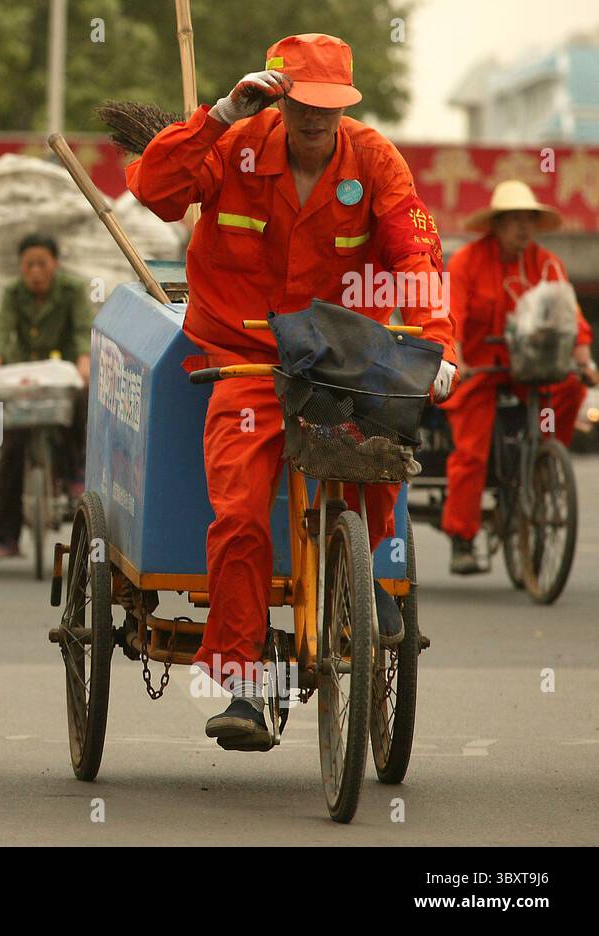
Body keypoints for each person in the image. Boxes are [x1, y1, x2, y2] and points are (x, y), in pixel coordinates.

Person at [127, 33, 456, 749]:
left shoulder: (373, 158)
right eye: (303, 103)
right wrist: (216, 116)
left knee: (378, 463)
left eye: (329, 106)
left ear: (346, 105)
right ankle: (243, 685)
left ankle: (374, 587)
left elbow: (415, 251)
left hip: (341, 356)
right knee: (240, 512)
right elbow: (155, 194)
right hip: (245, 356)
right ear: (276, 96)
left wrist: (436, 338)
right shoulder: (235, 141)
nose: (316, 119)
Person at [442, 180, 596, 573]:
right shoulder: (467, 262)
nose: (522, 228)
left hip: (531, 368)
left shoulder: (546, 264)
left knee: (572, 386)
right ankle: (462, 536)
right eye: (513, 220)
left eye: (529, 220)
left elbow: (571, 320)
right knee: (472, 450)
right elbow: (451, 315)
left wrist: (584, 360)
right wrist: (454, 358)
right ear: (496, 224)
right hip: (481, 368)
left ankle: (545, 459)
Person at [0, 233, 92, 563]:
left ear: (55, 264)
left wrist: (84, 364)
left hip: (64, 373)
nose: (36, 271)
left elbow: (81, 330)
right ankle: (6, 537)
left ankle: (76, 474)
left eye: (42, 264)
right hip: (25, 376)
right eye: (29, 265)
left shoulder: (72, 291)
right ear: (21, 267)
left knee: (82, 404)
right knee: (11, 447)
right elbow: (1, 330)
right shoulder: (12, 294)